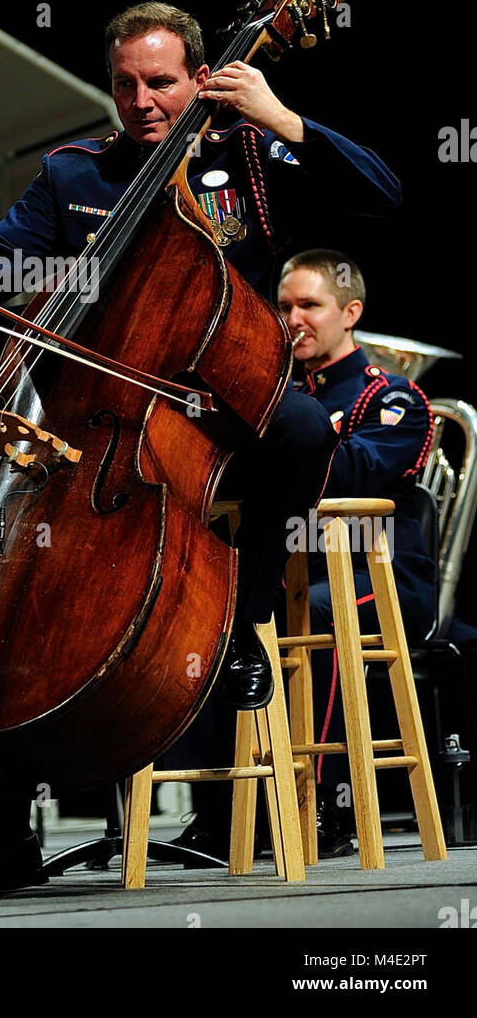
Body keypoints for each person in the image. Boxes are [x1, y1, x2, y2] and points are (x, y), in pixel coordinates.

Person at [0, 2, 402, 893]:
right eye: (125, 84)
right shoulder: (73, 173)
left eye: (161, 82)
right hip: (109, 409)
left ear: (200, 78)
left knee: (295, 425)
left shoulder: (250, 157)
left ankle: (243, 614)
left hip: (227, 393)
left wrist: (282, 116)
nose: (142, 101)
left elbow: (381, 194)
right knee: (1, 561)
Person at [170, 247, 436, 863]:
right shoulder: (274, 401)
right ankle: (226, 811)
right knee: (219, 613)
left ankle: (322, 808)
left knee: (312, 615)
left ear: (350, 312)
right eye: (284, 306)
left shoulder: (392, 398)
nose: (293, 319)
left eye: (309, 305)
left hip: (380, 573)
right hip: (293, 570)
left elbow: (350, 473)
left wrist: (287, 431)